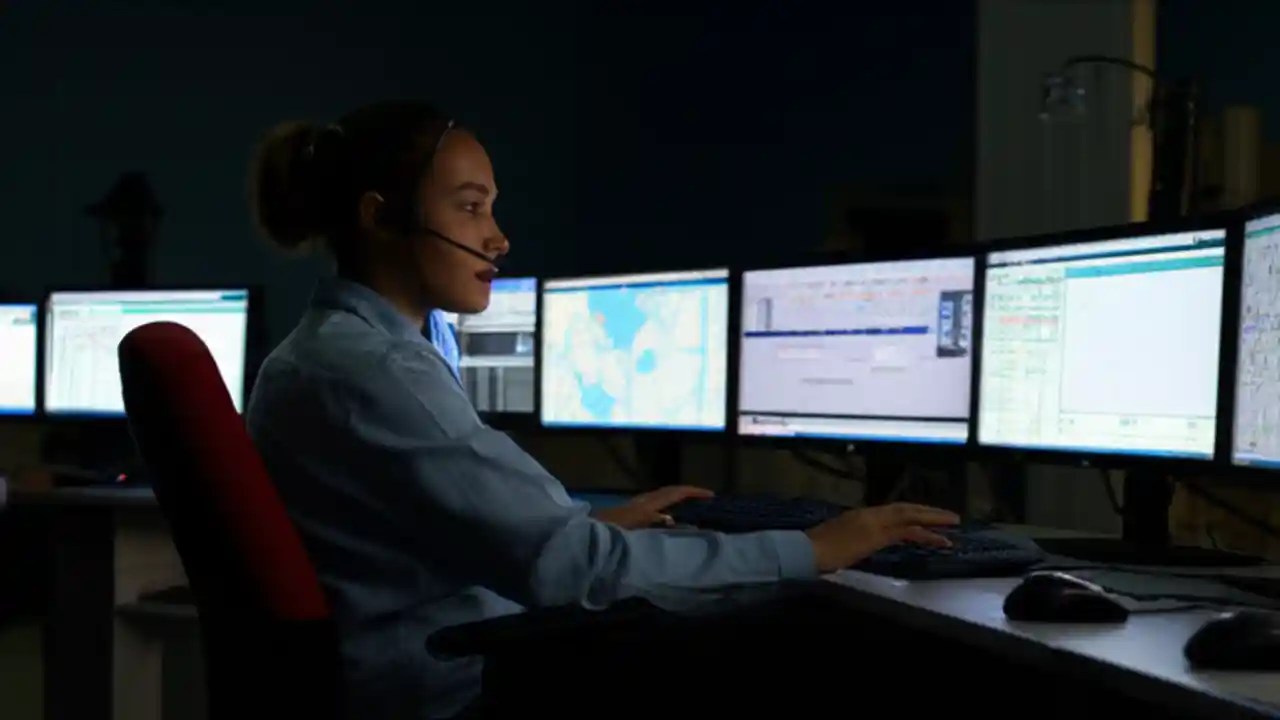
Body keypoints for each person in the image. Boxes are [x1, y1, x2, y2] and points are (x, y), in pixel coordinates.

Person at [245, 100, 960, 719]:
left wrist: (580, 526)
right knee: (807, 644)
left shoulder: (333, 352)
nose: (498, 236)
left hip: (414, 662)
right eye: (469, 208)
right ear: (381, 217)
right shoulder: (377, 370)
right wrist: (817, 547)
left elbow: (430, 534)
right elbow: (571, 572)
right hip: (446, 687)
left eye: (492, 207)